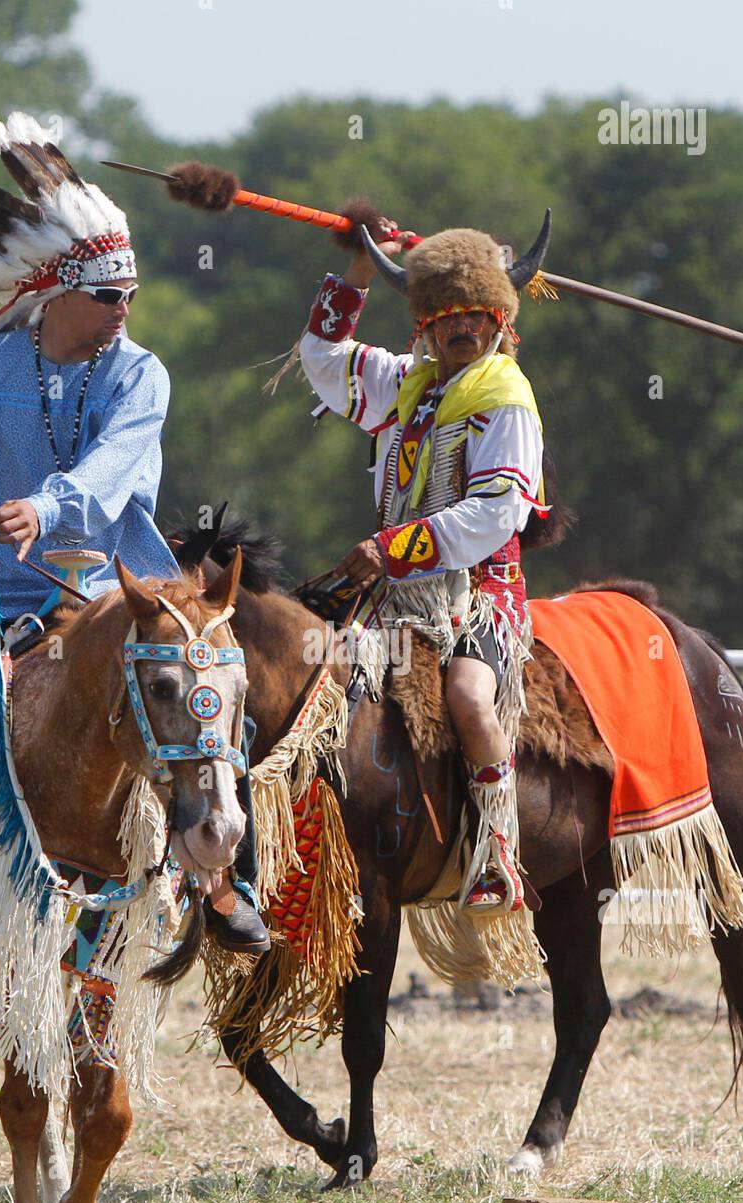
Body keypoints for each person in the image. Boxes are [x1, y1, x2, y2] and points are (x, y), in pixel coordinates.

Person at [0, 112, 266, 957]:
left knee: (218, 712)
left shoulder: (141, 373)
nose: (124, 309)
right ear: (60, 291)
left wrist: (48, 506)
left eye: (131, 296)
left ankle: (225, 883)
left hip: (124, 591)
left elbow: (117, 464)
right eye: (110, 295)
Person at [298, 212, 554, 913]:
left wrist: (391, 549)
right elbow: (322, 360)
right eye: (444, 318)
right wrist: (358, 265)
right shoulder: (405, 384)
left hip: (480, 593)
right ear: (425, 325)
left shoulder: (507, 400)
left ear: (500, 321)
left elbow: (498, 512)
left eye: (473, 316)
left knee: (470, 696)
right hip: (389, 594)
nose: (460, 330)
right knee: (308, 682)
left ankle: (496, 851)